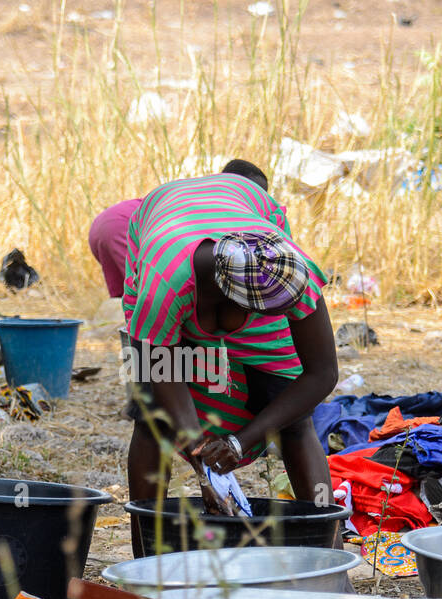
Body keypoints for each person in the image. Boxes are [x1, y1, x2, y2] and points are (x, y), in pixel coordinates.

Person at [123, 173, 337, 552]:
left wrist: (241, 442)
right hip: (160, 222)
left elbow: (321, 373)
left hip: (247, 204)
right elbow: (162, 371)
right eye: (262, 316)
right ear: (227, 298)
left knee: (292, 417)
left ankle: (328, 549)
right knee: (153, 416)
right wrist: (201, 460)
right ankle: (146, 561)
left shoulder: (288, 270)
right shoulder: (163, 286)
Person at [89, 159, 271, 298]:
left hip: (105, 223)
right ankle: (149, 341)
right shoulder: (222, 207)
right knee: (151, 294)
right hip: (125, 226)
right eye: (256, 192)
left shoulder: (205, 193)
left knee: (135, 295)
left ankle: (139, 338)